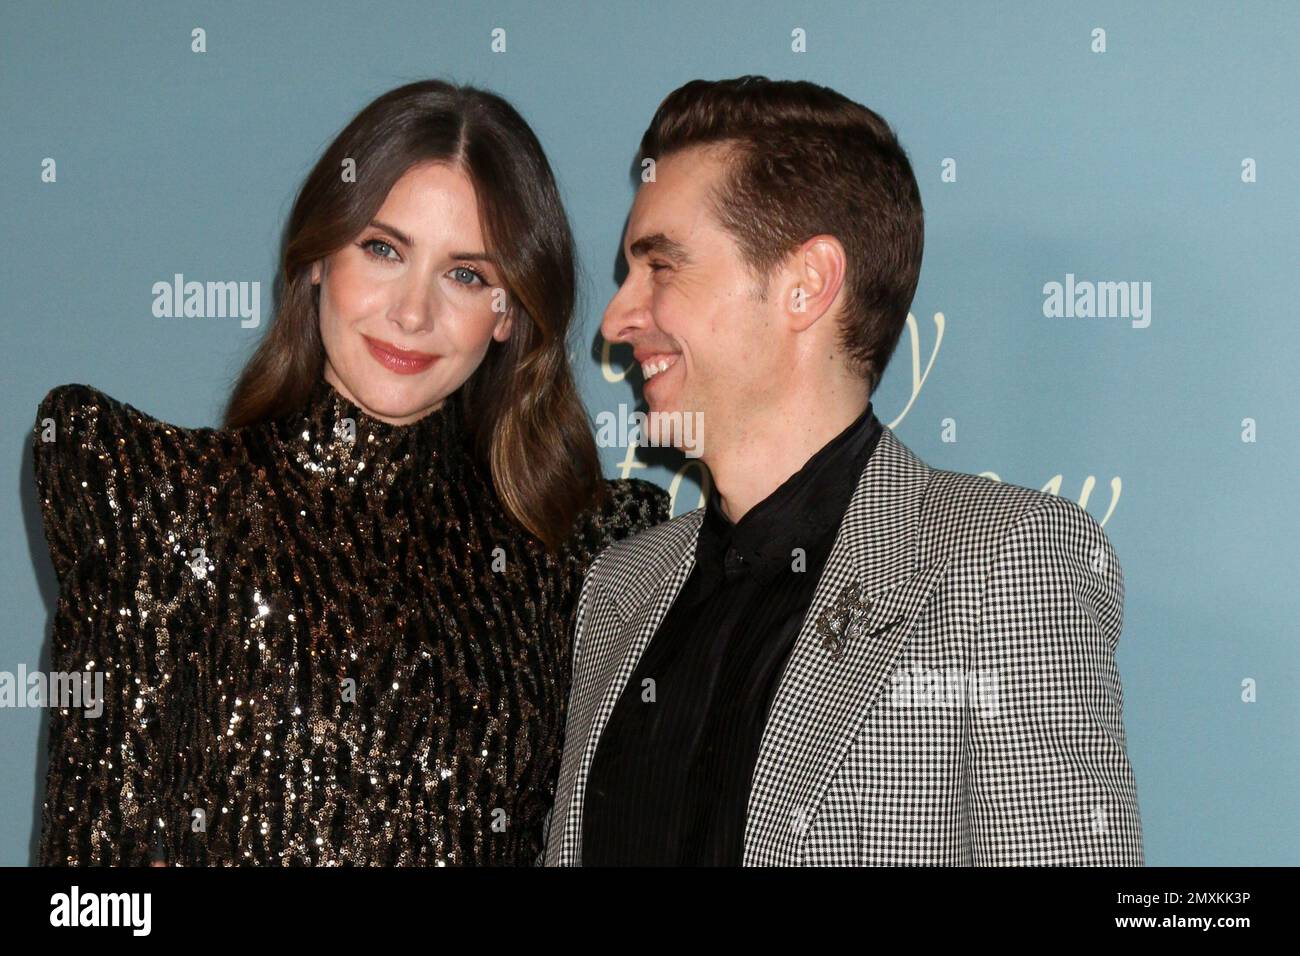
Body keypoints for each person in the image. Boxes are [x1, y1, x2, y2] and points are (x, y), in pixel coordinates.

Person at [33, 79, 669, 866]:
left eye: (465, 274)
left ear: (508, 314)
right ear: (316, 261)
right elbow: (86, 899)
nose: (412, 313)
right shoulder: (162, 498)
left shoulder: (585, 555)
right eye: (383, 249)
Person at [545, 76, 1143, 865]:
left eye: (661, 267)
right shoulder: (619, 586)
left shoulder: (1001, 563)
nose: (617, 318)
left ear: (806, 284)